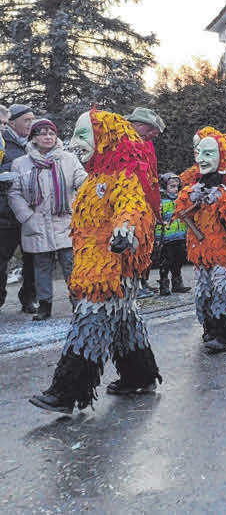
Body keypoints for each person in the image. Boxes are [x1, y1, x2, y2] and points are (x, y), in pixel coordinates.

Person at [29, 109, 163, 414]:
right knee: (124, 319)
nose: (75, 142)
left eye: (82, 135)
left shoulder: (124, 174)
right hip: (94, 264)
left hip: (112, 267)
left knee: (90, 322)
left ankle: (67, 392)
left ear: (105, 137)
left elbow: (132, 206)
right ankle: (139, 375)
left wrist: (125, 231)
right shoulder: (95, 177)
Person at [176, 127, 226, 353]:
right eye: (199, 153)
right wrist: (191, 196)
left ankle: (223, 334)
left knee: (222, 290)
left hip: (224, 250)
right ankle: (208, 329)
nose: (201, 159)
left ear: (221, 156)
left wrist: (221, 198)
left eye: (208, 153)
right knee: (203, 291)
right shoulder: (195, 183)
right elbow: (181, 209)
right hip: (201, 250)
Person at [8, 118, 87, 320]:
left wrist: (92, 184)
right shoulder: (20, 164)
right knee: (41, 268)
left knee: (71, 265)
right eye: (43, 133)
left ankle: (78, 302)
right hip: (37, 223)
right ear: (34, 138)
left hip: (65, 221)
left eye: (51, 133)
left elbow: (82, 181)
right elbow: (15, 193)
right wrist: (27, 216)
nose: (48, 137)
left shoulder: (69, 159)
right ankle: (44, 306)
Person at [0, 103, 37, 313]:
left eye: (32, 120)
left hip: (31, 212)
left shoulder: (32, 144)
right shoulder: (3, 143)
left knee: (32, 257)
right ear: (13, 123)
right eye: (26, 120)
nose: (30, 124)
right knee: (2, 258)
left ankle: (29, 298)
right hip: (6, 213)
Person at [124, 107, 165, 296]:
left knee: (146, 243)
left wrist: (156, 199)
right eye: (150, 130)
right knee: (131, 242)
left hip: (147, 199)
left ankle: (142, 280)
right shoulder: (122, 141)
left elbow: (152, 171)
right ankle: (131, 284)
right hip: (128, 200)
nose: (153, 135)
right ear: (137, 125)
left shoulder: (147, 143)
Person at [155, 173, 190, 296]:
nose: (175, 189)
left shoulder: (181, 201)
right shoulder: (162, 203)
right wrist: (158, 238)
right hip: (168, 238)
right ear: (165, 187)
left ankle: (177, 283)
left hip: (180, 236)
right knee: (166, 262)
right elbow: (159, 221)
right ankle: (164, 284)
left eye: (177, 186)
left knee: (178, 261)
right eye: (172, 186)